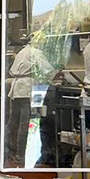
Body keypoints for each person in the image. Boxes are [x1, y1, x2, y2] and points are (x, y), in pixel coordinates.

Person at [6, 38, 55, 166]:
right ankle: (21, 155)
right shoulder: (36, 53)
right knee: (25, 124)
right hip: (27, 89)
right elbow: (48, 70)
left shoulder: (23, 51)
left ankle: (11, 152)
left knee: (13, 123)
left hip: (17, 89)